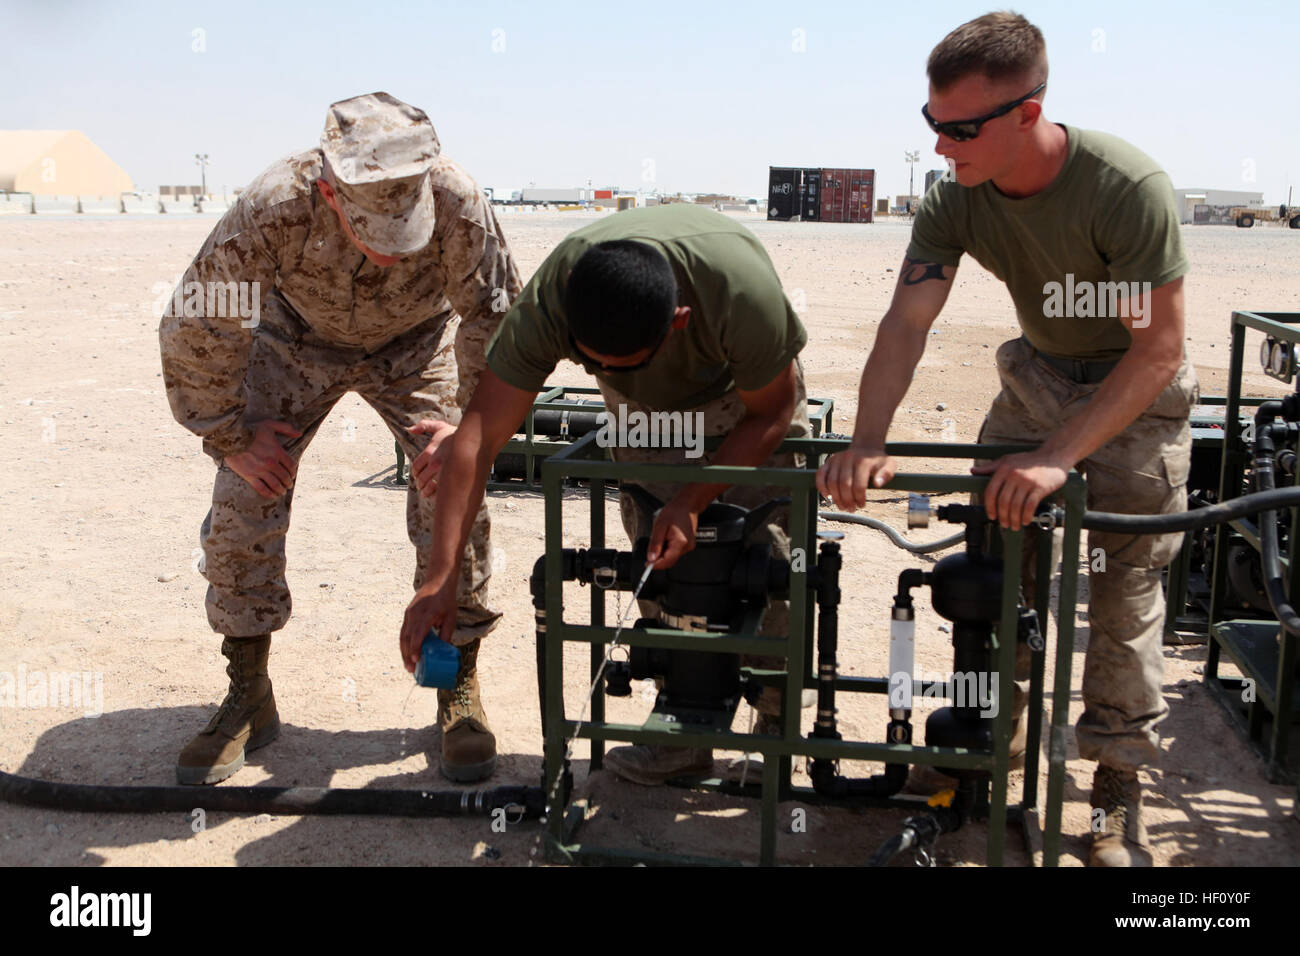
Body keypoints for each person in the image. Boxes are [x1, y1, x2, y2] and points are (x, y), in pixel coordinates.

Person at [817, 12, 1197, 866]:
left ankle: (1114, 793)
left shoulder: (1125, 188)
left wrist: (1060, 456)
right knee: (994, 576)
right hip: (1037, 378)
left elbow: (1158, 349)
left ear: (1027, 113)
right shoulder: (956, 199)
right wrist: (867, 439)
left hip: (1135, 391)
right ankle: (987, 751)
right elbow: (908, 321)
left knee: (1124, 594)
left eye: (960, 129)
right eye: (932, 126)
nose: (943, 147)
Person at [160, 92, 521, 786]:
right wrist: (230, 435)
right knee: (246, 488)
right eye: (371, 228)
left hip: (418, 342)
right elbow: (198, 325)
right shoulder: (273, 207)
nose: (388, 249)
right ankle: (247, 689)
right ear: (328, 187)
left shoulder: (459, 202)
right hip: (295, 339)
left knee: (455, 485)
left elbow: (497, 323)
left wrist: (468, 431)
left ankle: (457, 679)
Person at [400, 203, 811, 785]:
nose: (601, 369)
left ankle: (774, 729)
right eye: (592, 361)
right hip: (646, 421)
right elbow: (477, 439)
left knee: (764, 561)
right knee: (662, 562)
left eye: (622, 363)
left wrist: (692, 501)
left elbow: (773, 410)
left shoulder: (739, 293)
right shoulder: (552, 301)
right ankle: (682, 732)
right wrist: (439, 580)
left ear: (679, 322)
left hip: (743, 400)